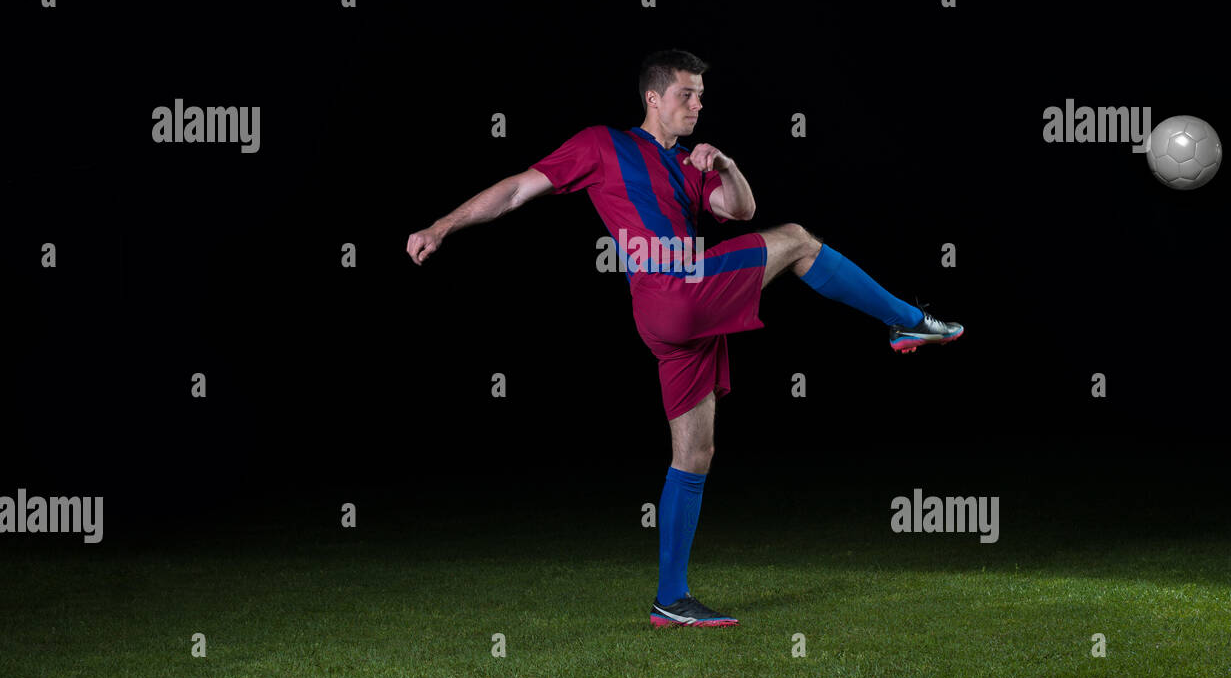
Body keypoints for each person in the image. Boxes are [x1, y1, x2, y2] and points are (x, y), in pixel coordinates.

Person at [406, 49, 963, 628]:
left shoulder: (691, 164)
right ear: (653, 98)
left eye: (701, 95)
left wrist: (723, 165)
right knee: (798, 238)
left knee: (695, 454)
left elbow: (742, 210)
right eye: (686, 95)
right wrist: (441, 225)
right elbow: (518, 190)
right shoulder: (601, 144)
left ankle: (670, 600)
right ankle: (903, 319)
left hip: (677, 318)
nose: (697, 105)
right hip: (677, 289)